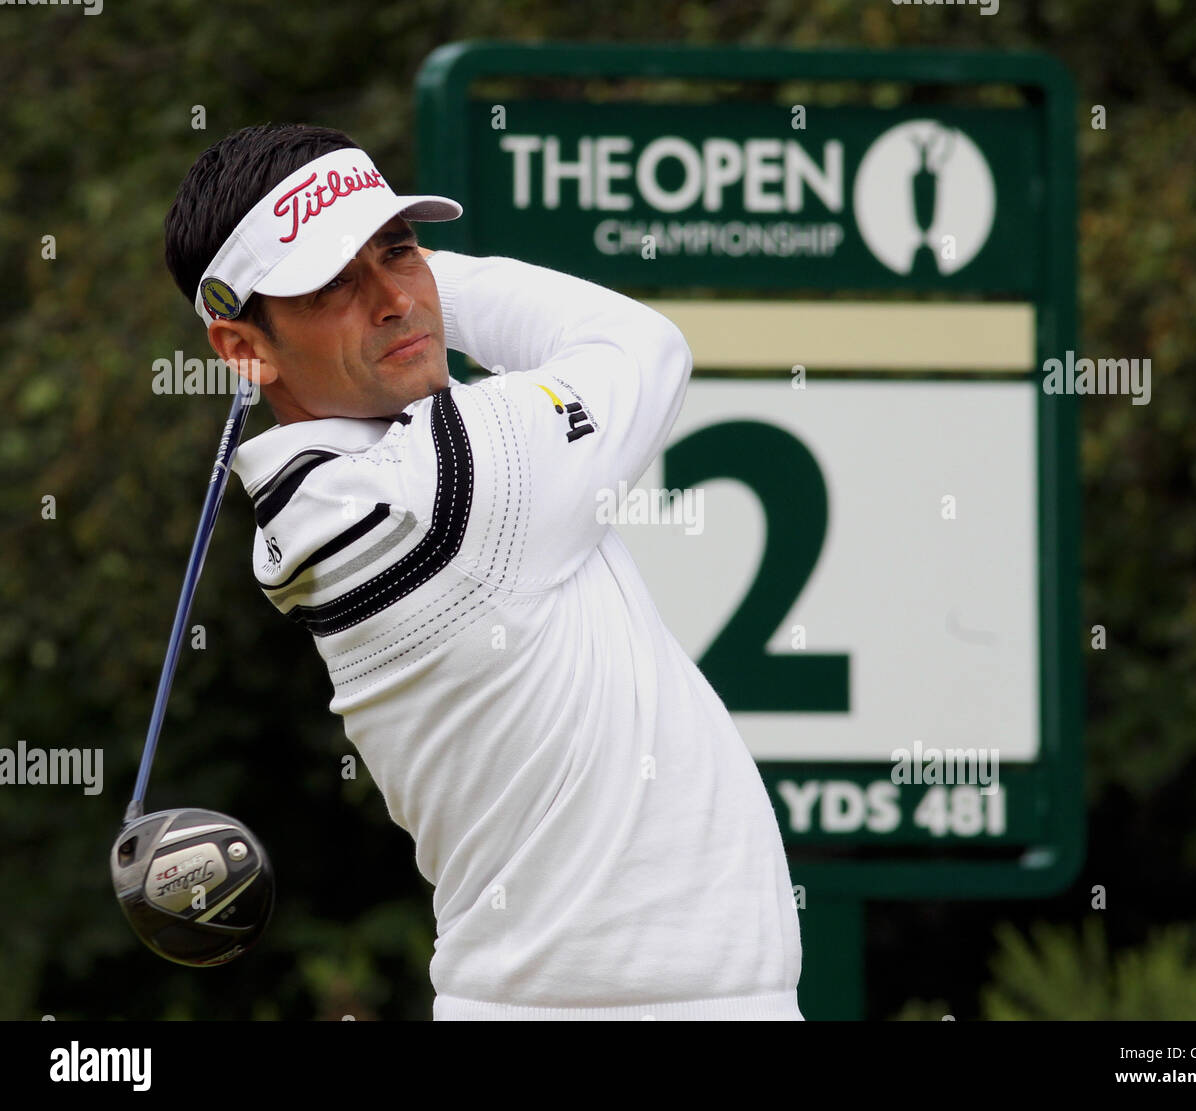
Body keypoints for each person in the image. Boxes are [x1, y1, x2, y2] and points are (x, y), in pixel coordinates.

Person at [163, 123, 803, 1020]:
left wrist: (386, 287)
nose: (390, 298)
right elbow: (642, 344)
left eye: (400, 249)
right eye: (333, 282)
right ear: (243, 350)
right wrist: (427, 294)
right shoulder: (440, 492)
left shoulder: (362, 481)